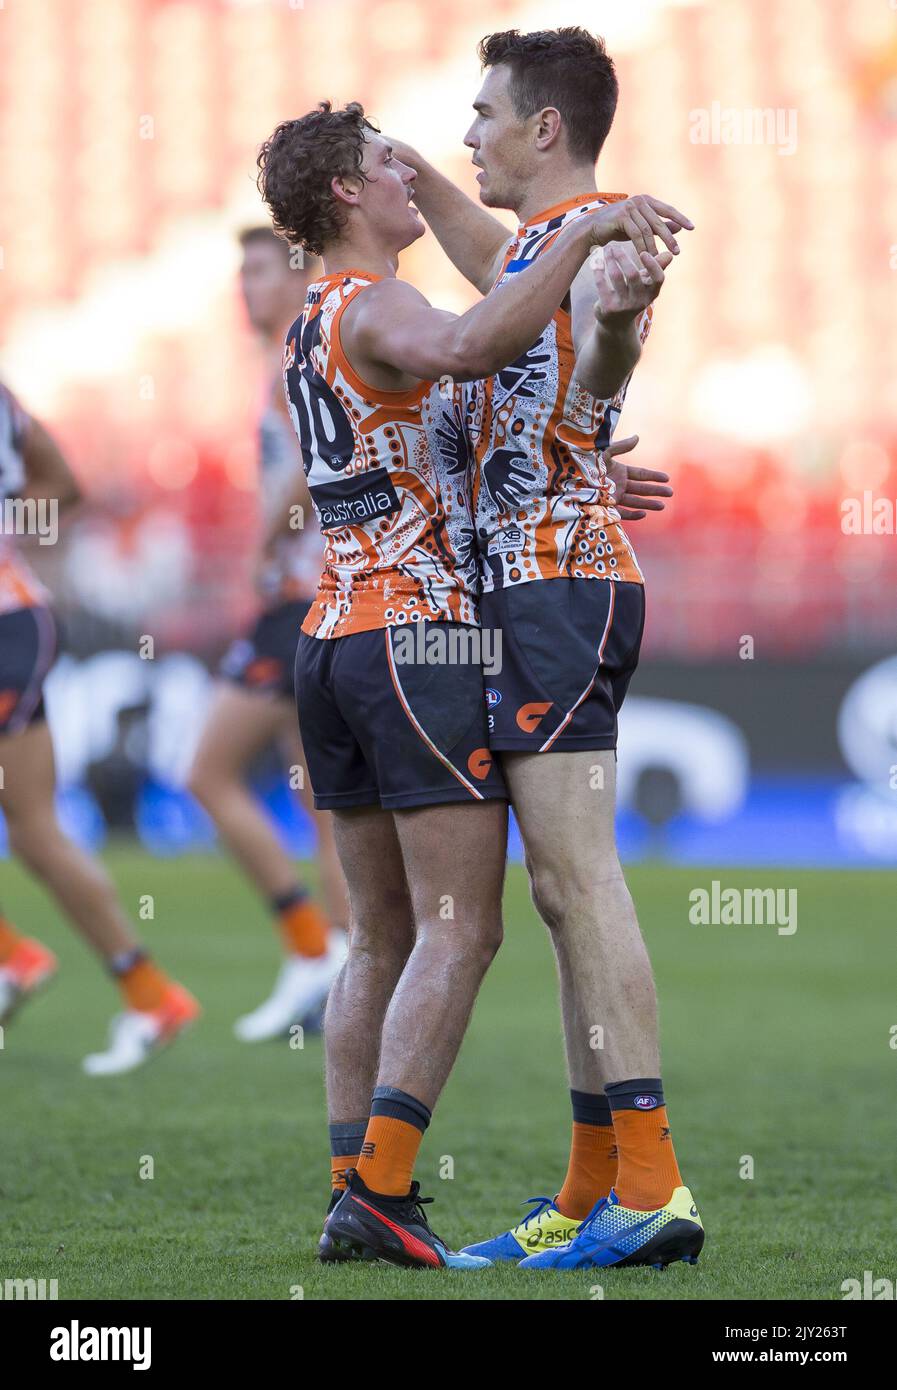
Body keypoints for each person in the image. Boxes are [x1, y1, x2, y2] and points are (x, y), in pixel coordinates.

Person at [257, 99, 686, 1268]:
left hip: (331, 640)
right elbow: (473, 344)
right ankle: (383, 1190)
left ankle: (352, 1179)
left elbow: (420, 433)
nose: (416, 181)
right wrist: (578, 247)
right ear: (348, 196)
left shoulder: (311, 323)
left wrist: (575, 465)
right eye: (389, 172)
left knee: (379, 938)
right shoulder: (384, 303)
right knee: (465, 927)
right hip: (420, 639)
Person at [390, 26, 704, 1272]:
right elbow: (495, 270)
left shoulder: (604, 246)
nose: (468, 134)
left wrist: (614, 352)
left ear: (546, 130)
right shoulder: (530, 245)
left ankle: (659, 1183)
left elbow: (607, 340)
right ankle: (591, 1188)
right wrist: (399, 162)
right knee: (560, 892)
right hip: (542, 589)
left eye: (481, 115)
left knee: (581, 883)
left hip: (560, 594)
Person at [0, 381, 199, 1074]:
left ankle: (16, 959)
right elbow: (60, 485)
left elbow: (61, 486)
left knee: (38, 829)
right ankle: (149, 996)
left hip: (6, 626)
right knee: (34, 832)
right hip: (19, 621)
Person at [188, 228, 347, 1042]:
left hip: (299, 596)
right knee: (319, 798)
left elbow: (319, 465)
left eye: (254, 269)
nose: (242, 286)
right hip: (321, 596)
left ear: (294, 273)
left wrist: (259, 544)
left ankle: (311, 948)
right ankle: (342, 964)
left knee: (206, 772)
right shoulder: (301, 346)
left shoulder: (299, 348)